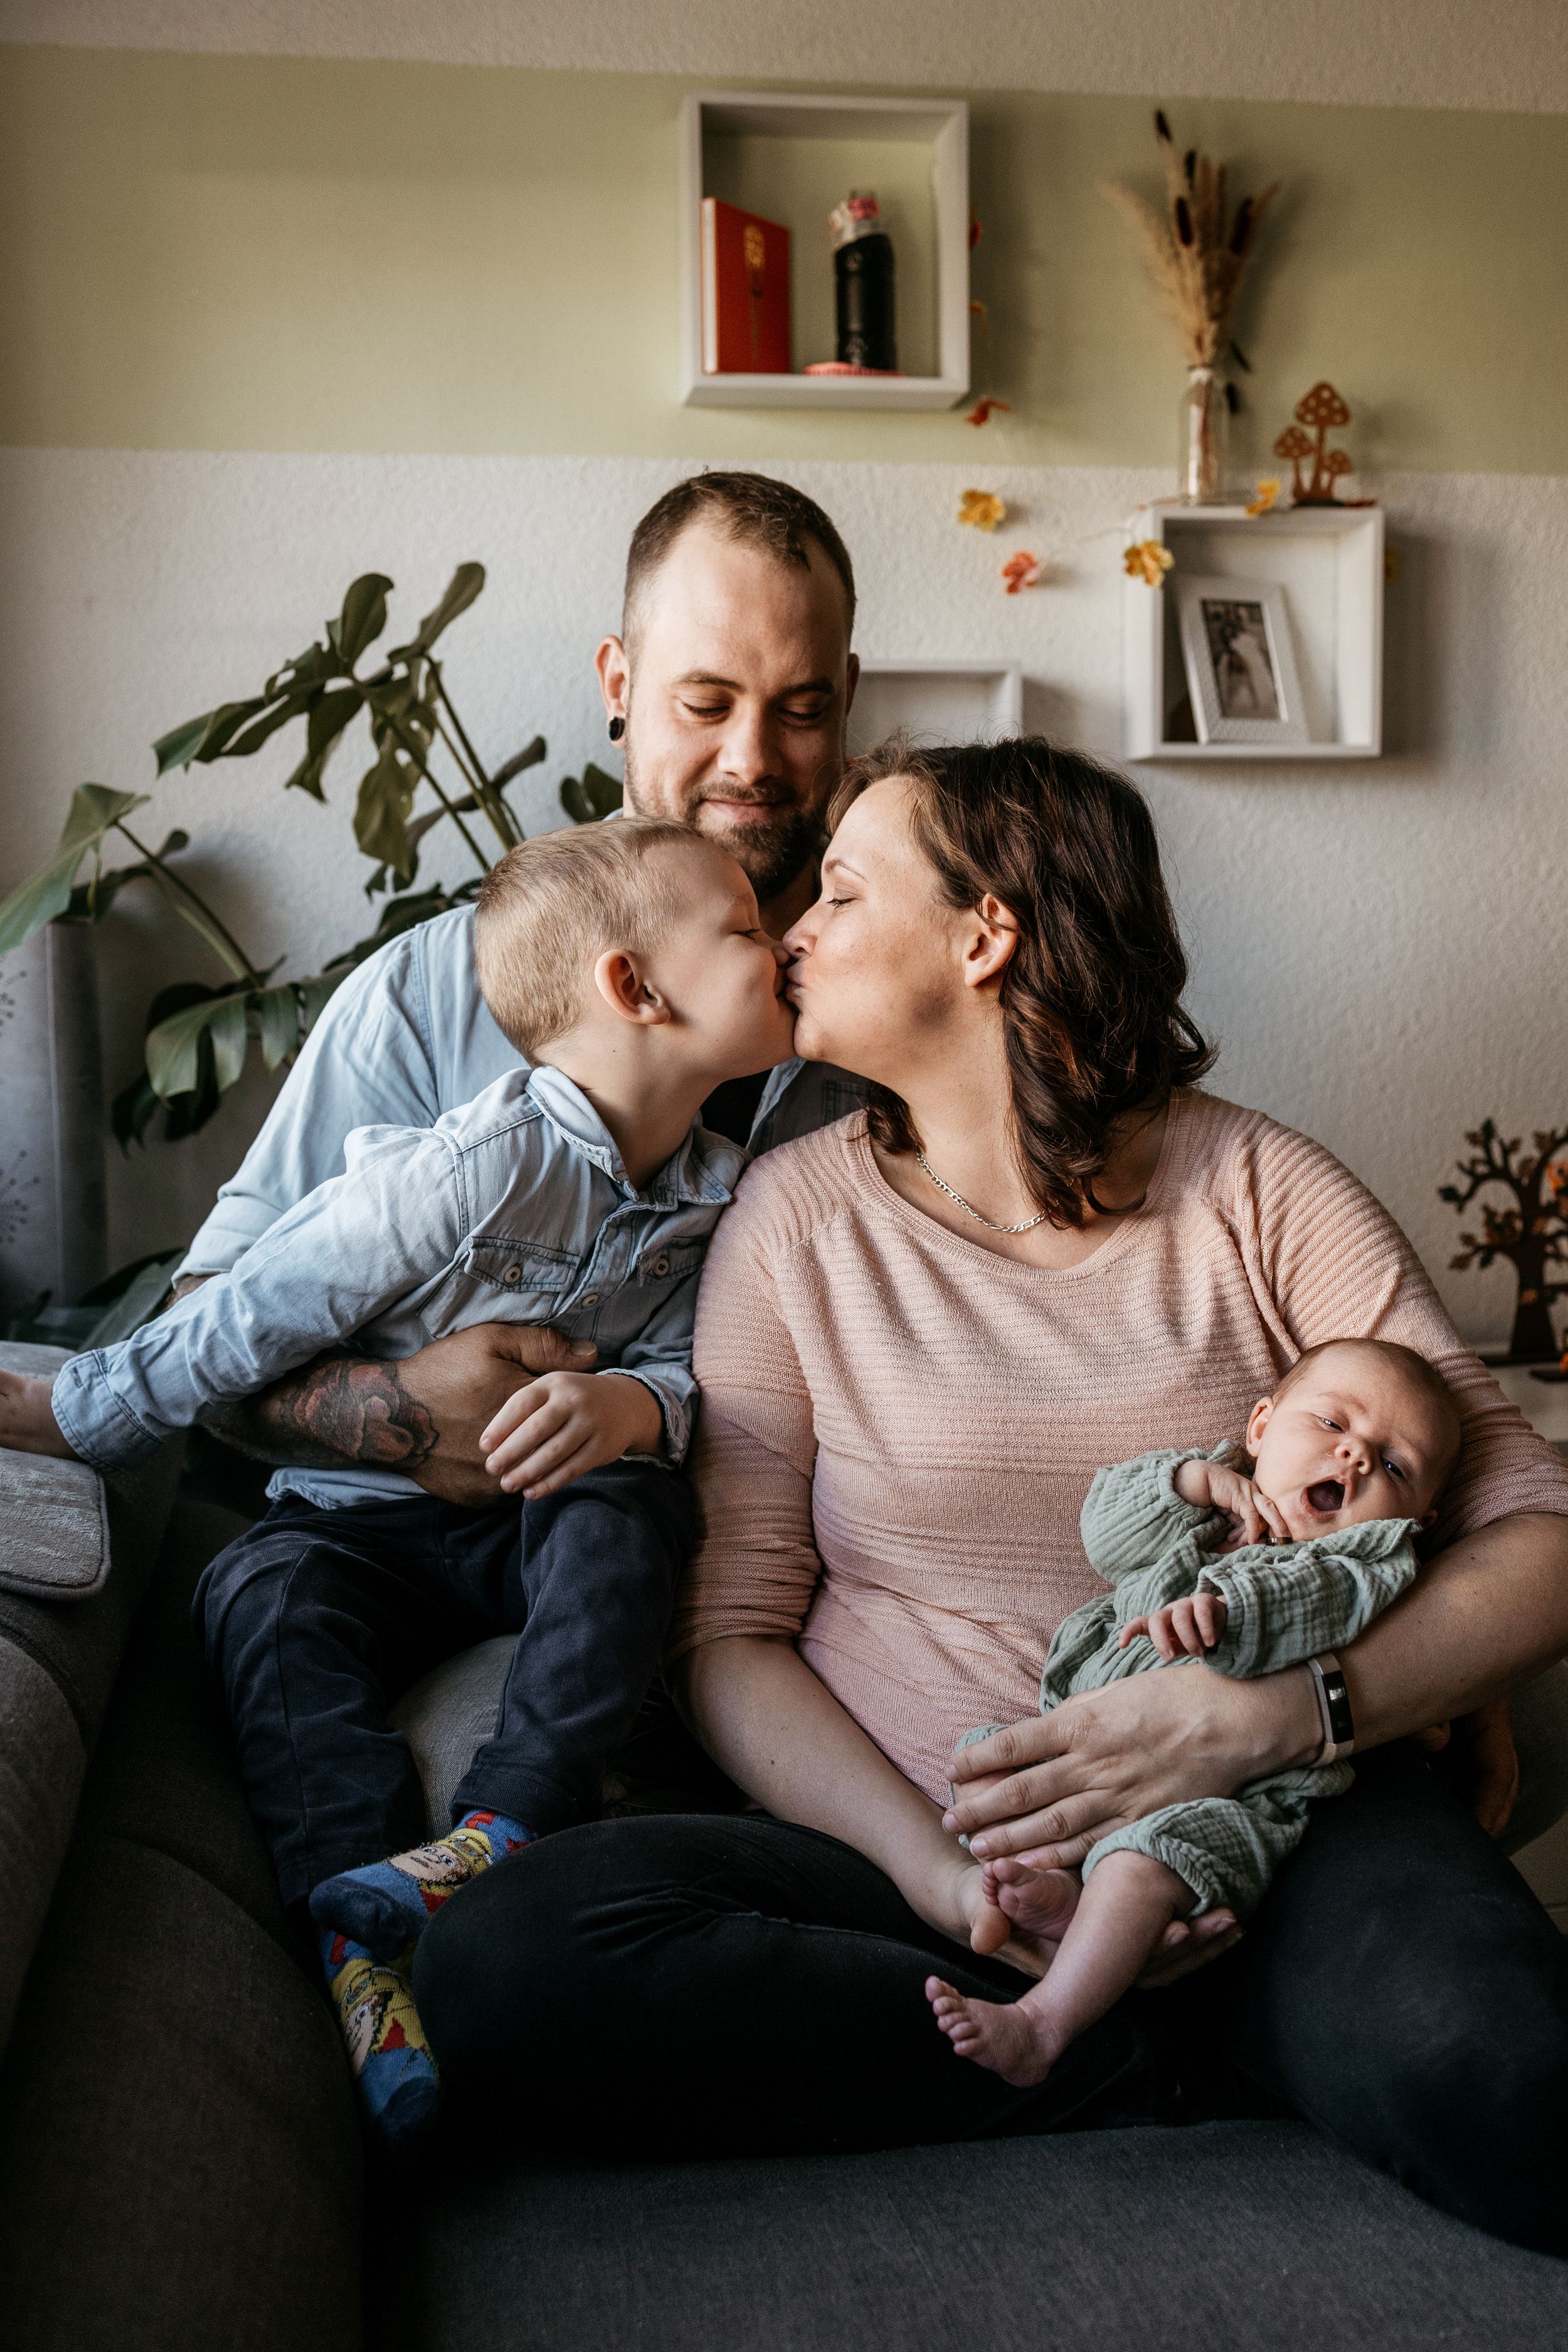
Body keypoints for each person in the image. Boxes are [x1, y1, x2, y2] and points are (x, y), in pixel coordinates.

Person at [413, 736, 1568, 2255]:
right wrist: (945, 1874)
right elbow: (733, 1637)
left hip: (1260, 1838)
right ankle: (1138, 2040)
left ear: (985, 933)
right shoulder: (794, 1218)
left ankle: (1153, 2013)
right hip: (917, 1868)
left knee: (1509, 2077)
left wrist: (1282, 1716)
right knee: (507, 1964)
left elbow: (1537, 1531)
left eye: (839, 888)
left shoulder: (1258, 1189)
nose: (795, 927)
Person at [0, 817, 796, 2151]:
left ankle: (502, 1829)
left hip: (528, 1530)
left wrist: (623, 1406)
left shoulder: (717, 1193)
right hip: (357, 1527)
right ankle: (360, 1953)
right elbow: (250, 1313)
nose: (780, 949)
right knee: (258, 1594)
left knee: (632, 1504)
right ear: (636, 990)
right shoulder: (467, 1167)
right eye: (747, 932)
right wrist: (77, 1406)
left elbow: (683, 1377)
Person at [168, 472, 866, 1508]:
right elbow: (196, 1332)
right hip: (420, 1564)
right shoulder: (425, 990)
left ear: (847, 696)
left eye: (802, 710)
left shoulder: (906, 1011)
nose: (751, 758)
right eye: (706, 703)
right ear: (618, 685)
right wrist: (402, 1411)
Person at [927, 1337, 1462, 2088]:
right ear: (1260, 1427)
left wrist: (1224, 1610)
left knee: (1146, 1859)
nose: (1355, 1460)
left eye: (1394, 1464)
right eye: (1332, 1425)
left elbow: (1317, 1605)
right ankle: (1064, 1904)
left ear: (1420, 1518)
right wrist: (1188, 1481)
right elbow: (1106, 1533)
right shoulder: (1204, 1508)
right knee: (987, 1763)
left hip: (1239, 1794)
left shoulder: (1366, 1560)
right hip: (1084, 1742)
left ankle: (1044, 2023)